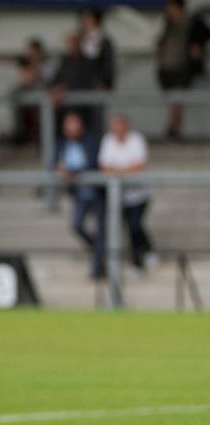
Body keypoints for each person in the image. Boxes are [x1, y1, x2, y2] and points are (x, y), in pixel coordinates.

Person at [98, 113, 154, 278]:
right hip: (118, 196)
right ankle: (145, 251)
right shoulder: (107, 141)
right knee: (128, 227)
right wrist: (125, 171)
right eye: (114, 126)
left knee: (135, 225)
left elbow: (139, 167)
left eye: (120, 125)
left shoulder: (137, 140)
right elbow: (104, 167)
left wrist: (117, 171)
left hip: (139, 195)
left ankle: (139, 261)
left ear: (126, 126)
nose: (117, 129)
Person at [56, 111, 103, 281]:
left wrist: (72, 171)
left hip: (97, 193)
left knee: (102, 231)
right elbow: (55, 162)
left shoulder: (90, 141)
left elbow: (92, 163)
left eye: (74, 123)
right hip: (79, 194)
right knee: (77, 225)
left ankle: (97, 270)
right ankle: (98, 250)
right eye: (69, 124)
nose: (71, 127)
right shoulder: (62, 143)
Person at [156, 0, 210, 140]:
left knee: (178, 97)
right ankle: (173, 127)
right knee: (174, 99)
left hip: (183, 67)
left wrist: (196, 45)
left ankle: (175, 127)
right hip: (168, 66)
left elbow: (204, 34)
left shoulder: (191, 22)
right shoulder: (169, 23)